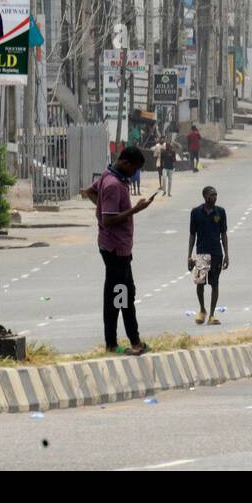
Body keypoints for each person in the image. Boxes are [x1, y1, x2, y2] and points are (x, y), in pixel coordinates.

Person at [82, 146, 152, 355]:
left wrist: (101, 205)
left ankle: (128, 341)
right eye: (136, 169)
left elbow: (91, 191)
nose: (136, 173)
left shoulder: (108, 176)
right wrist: (135, 210)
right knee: (121, 297)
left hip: (117, 248)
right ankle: (120, 343)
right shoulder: (113, 185)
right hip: (115, 249)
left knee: (122, 293)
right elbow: (109, 219)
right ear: (126, 163)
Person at [188, 186, 229, 325]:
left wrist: (226, 254)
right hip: (202, 253)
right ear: (205, 196)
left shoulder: (220, 212)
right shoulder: (195, 212)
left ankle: (212, 314)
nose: (214, 197)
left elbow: (223, 234)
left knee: (215, 283)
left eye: (216, 195)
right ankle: (202, 309)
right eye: (212, 195)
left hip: (216, 252)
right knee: (200, 283)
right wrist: (189, 255)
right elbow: (192, 234)